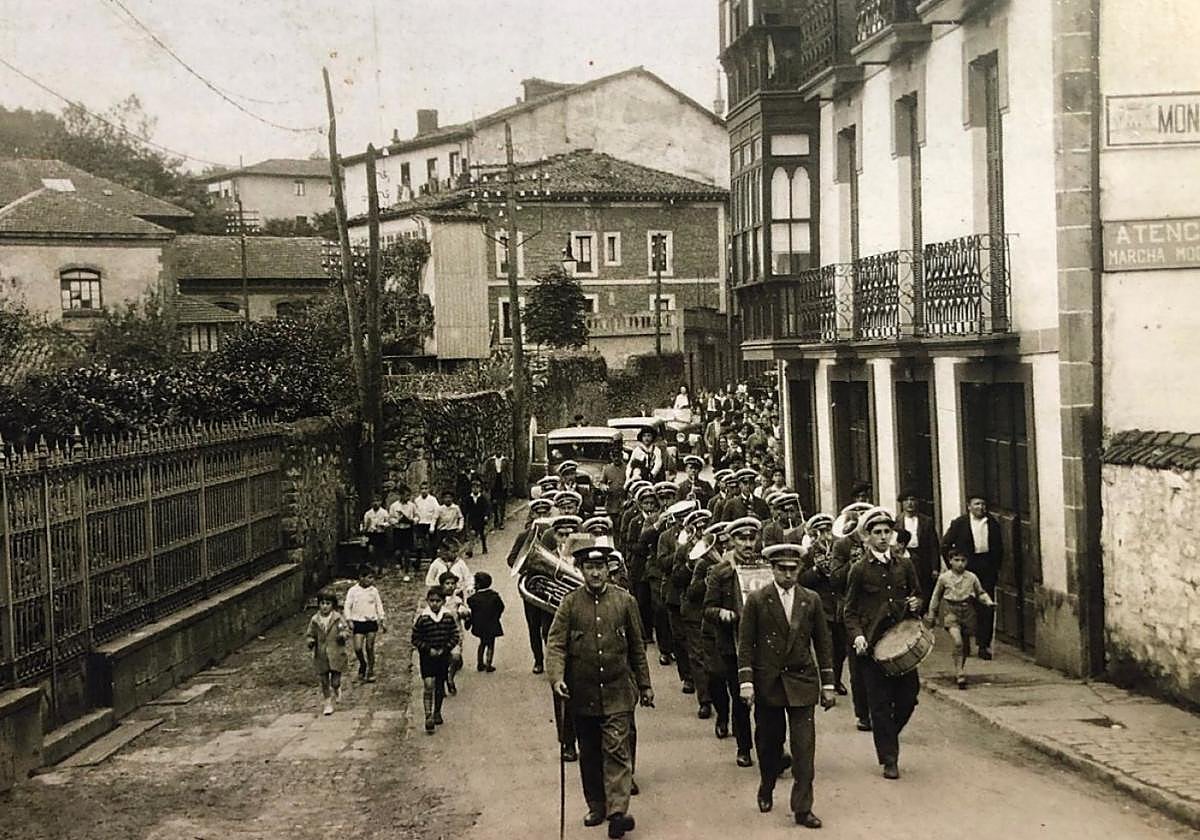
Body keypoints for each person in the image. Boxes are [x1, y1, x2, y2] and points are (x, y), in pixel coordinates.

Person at [547, 545, 654, 839]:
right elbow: (555, 645)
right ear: (581, 570)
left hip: (619, 691)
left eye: (600, 567)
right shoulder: (569, 604)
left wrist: (644, 685)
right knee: (590, 752)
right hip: (582, 694)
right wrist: (556, 678)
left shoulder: (625, 601)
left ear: (609, 569)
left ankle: (618, 812)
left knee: (617, 750)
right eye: (589, 568)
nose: (595, 573)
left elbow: (637, 647)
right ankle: (596, 805)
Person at [738, 543, 835, 829]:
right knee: (769, 744)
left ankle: (803, 808)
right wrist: (746, 682)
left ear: (800, 570)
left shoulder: (811, 599)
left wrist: (828, 684)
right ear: (772, 569)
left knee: (804, 749)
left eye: (794, 569)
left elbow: (823, 643)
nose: (788, 575)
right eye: (782, 569)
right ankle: (766, 784)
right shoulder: (757, 600)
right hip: (769, 682)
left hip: (802, 680)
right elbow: (746, 646)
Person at [843, 507, 924, 780]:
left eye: (886, 532)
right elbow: (849, 611)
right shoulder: (859, 569)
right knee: (879, 705)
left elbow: (918, 596)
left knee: (909, 697)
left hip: (902, 645)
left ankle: (888, 734)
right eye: (876, 532)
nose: (882, 537)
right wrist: (858, 636)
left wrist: (917, 604)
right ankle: (889, 758)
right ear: (867, 537)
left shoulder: (905, 565)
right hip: (872, 649)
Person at [704, 516, 761, 768]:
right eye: (742, 538)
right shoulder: (720, 572)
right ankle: (744, 747)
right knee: (740, 698)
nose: (747, 544)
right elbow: (708, 608)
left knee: (768, 700)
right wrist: (721, 613)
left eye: (751, 538)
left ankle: (771, 747)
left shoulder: (766, 567)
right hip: (732, 644)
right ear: (733, 541)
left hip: (763, 643)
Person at [941, 494, 1004, 660]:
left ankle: (984, 645)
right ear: (969, 506)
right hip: (966, 567)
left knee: (986, 606)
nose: (980, 507)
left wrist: (995, 568)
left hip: (986, 567)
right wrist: (953, 569)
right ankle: (965, 643)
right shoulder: (960, 523)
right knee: (965, 606)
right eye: (976, 504)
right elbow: (945, 544)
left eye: (983, 504)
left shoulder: (992, 523)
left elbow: (999, 548)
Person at [926, 546, 995, 688]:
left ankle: (960, 668)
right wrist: (932, 614)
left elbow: (980, 592)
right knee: (957, 641)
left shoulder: (971, 577)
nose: (960, 564)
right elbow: (936, 596)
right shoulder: (944, 578)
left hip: (967, 611)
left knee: (964, 644)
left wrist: (988, 601)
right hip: (950, 611)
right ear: (950, 561)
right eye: (956, 560)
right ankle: (959, 673)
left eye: (963, 560)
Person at [798, 513, 846, 695]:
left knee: (841, 647)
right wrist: (817, 570)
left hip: (839, 605)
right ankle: (826, 681)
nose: (825, 535)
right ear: (814, 534)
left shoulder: (839, 549)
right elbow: (801, 579)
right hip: (820, 606)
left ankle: (837, 678)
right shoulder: (808, 554)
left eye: (828, 530)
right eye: (821, 531)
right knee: (825, 645)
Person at [411, 586, 459, 733]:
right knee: (428, 685)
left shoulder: (448, 617)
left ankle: (437, 711)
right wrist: (427, 649)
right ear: (427, 601)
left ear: (443, 601)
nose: (434, 604)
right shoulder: (423, 619)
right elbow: (415, 639)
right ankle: (428, 716)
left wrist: (445, 649)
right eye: (431, 601)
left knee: (439, 686)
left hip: (443, 656)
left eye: (438, 601)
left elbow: (455, 636)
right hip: (428, 658)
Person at [305, 590, 351, 716]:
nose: (325, 606)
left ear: (333, 605)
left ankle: (337, 688)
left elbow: (346, 630)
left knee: (335, 680)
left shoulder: (337, 618)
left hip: (336, 653)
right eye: (322, 603)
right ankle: (327, 702)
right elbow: (310, 634)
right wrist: (311, 641)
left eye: (328, 603)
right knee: (324, 680)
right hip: (321, 655)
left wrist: (343, 635)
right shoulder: (315, 620)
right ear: (318, 605)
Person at [897, 491, 941, 609]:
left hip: (923, 558)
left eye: (913, 500)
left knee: (924, 588)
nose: (910, 503)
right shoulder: (897, 521)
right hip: (905, 556)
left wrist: (935, 568)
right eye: (906, 500)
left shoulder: (926, 521)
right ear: (902, 503)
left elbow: (934, 546)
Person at [344, 567, 387, 683]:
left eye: (372, 578)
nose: (371, 580)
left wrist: (382, 619)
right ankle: (363, 664)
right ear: (361, 577)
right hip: (358, 622)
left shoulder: (374, 591)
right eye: (369, 577)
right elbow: (347, 606)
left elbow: (379, 605)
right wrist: (349, 620)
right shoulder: (353, 591)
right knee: (358, 648)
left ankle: (371, 670)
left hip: (371, 622)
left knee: (369, 647)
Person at [439, 571, 471, 695]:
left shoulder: (457, 600)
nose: (451, 586)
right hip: (440, 635)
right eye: (447, 583)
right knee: (442, 660)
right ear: (442, 585)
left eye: (453, 583)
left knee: (456, 657)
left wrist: (465, 614)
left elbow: (464, 612)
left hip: (455, 634)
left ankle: (450, 677)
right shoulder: (437, 600)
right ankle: (442, 682)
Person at [467, 571, 505, 673]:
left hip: (479, 625)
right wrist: (496, 616)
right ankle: (489, 664)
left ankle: (480, 663)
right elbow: (501, 607)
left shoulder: (473, 598)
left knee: (482, 643)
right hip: (492, 623)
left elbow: (471, 608)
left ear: (478, 585)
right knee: (491, 644)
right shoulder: (494, 596)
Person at [389, 485, 418, 581]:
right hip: (398, 530)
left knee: (407, 552)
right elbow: (390, 518)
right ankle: (399, 566)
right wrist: (397, 521)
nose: (408, 498)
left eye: (409, 496)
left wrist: (412, 520)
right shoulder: (394, 506)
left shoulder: (412, 505)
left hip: (407, 530)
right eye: (406, 495)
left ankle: (406, 571)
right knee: (397, 552)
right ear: (400, 495)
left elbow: (417, 516)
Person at [461, 477, 492, 555]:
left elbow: (487, 508)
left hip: (481, 518)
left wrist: (486, 515)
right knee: (472, 534)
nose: (475, 489)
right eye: (473, 487)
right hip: (472, 518)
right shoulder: (468, 498)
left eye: (477, 487)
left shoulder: (482, 498)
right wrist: (465, 515)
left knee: (482, 534)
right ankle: (470, 550)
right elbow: (465, 508)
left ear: (479, 489)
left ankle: (484, 547)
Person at [413, 482, 441, 565]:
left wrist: (432, 525)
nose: (424, 491)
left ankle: (433, 560)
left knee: (433, 543)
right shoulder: (417, 500)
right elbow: (415, 513)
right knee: (419, 542)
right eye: (422, 489)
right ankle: (418, 561)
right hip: (420, 524)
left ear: (429, 490)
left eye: (426, 488)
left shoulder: (433, 500)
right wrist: (415, 520)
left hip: (430, 523)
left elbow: (436, 513)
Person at [483, 452, 510, 530]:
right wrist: (487, 482)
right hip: (494, 483)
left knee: (502, 503)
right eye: (497, 449)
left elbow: (508, 472)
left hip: (502, 482)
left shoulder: (505, 460)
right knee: (494, 502)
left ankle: (501, 521)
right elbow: (487, 472)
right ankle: (496, 519)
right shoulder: (490, 460)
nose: (498, 451)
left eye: (500, 449)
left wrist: (508, 484)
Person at [601, 449, 627, 519]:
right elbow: (602, 483)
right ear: (611, 457)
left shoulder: (627, 468)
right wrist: (604, 487)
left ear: (621, 457)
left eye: (618, 456)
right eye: (614, 456)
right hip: (611, 501)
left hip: (624, 500)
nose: (616, 458)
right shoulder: (607, 468)